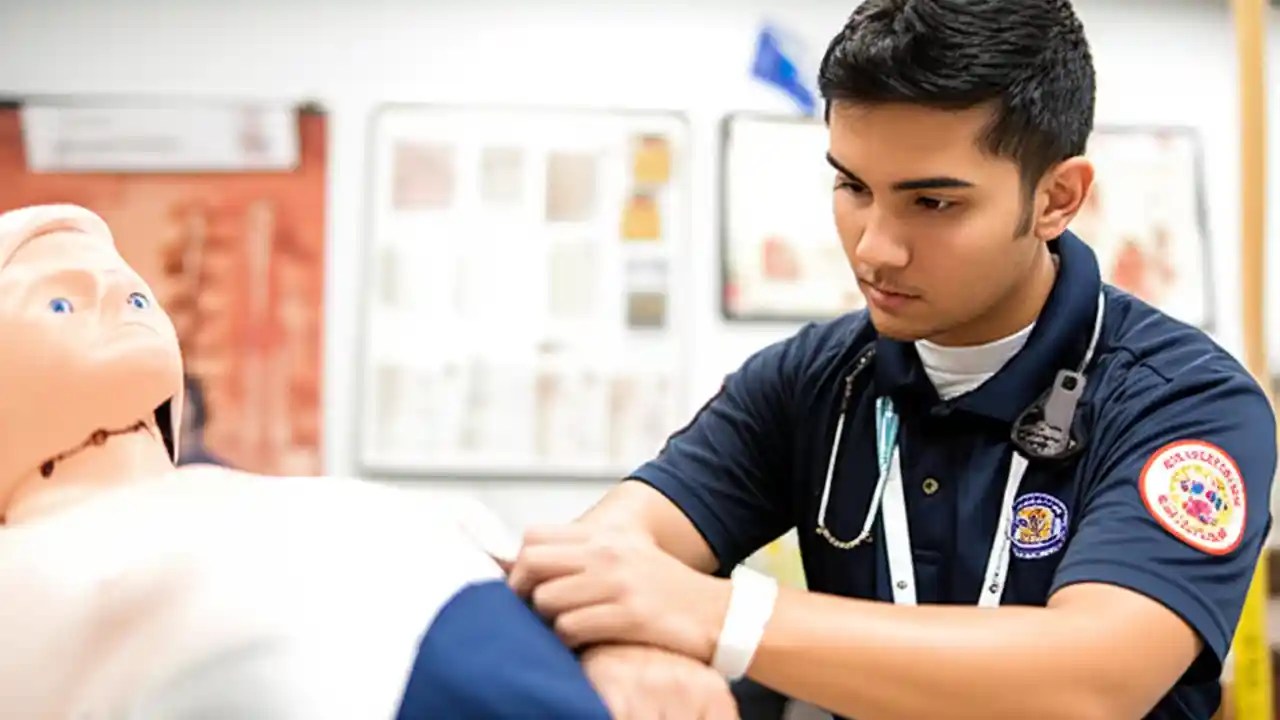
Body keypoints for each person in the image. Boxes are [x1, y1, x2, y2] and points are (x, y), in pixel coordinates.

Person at [505, 2, 1278, 719]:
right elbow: (604, 555)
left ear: (1056, 199)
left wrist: (715, 618)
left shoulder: (1187, 402)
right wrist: (625, 645)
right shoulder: (809, 381)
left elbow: (1093, 679)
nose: (874, 247)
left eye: (933, 203)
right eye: (852, 186)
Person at [0, 203, 735, 719]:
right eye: (59, 306)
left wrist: (618, 641)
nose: (125, 314)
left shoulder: (245, 497)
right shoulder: (37, 569)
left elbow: (515, 550)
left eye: (133, 298)